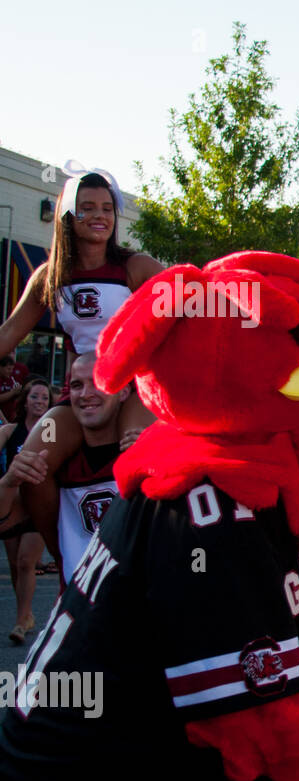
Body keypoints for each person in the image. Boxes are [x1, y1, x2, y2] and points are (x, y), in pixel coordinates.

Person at [0, 168, 163, 559]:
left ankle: (145, 563)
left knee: (136, 459)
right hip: (82, 394)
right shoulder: (49, 276)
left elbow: (189, 310)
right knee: (33, 463)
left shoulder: (135, 266)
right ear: (68, 215)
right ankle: (69, 562)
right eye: (87, 207)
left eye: (107, 208)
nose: (99, 216)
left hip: (132, 388)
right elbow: (8, 336)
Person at [0, 355, 127, 585]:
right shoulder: (53, 468)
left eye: (98, 382)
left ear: (125, 391)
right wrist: (9, 481)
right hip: (77, 609)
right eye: (77, 385)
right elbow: (5, 520)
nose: (86, 393)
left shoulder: (148, 460)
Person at [0, 378, 50, 642]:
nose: (40, 402)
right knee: (13, 564)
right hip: (11, 506)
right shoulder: (10, 431)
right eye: (35, 397)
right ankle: (25, 614)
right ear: (25, 401)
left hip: (38, 506)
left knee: (25, 562)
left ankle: (22, 620)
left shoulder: (53, 431)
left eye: (44, 398)